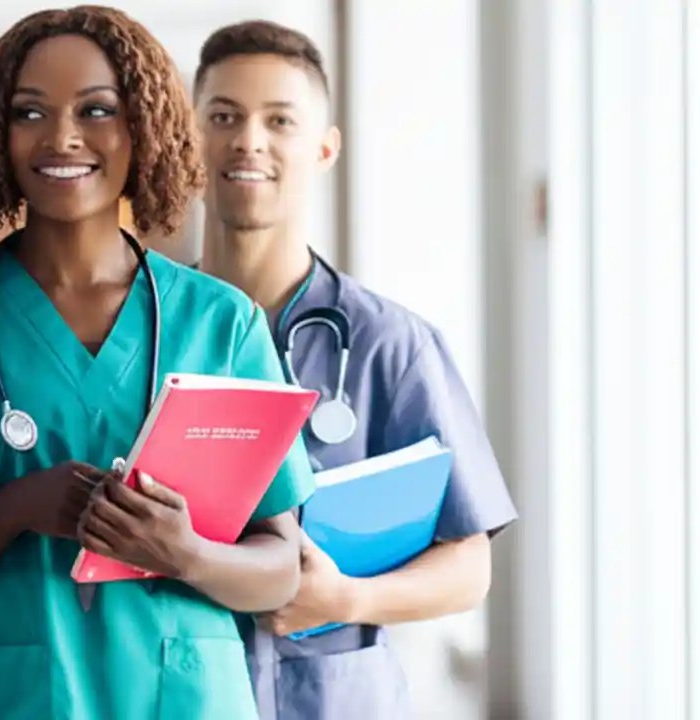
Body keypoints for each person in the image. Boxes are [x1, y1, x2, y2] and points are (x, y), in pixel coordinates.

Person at [0, 7, 315, 720]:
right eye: (30, 112)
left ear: (141, 125)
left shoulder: (222, 324)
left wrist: (186, 553)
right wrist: (13, 511)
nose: (62, 137)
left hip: (179, 699)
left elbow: (278, 570)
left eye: (97, 110)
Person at [192, 21, 519, 720]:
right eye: (224, 116)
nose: (249, 139)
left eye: (280, 119)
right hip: (179, 689)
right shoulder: (149, 333)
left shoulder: (390, 345)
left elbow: (469, 565)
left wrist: (347, 599)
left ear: (324, 147)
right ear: (190, 141)